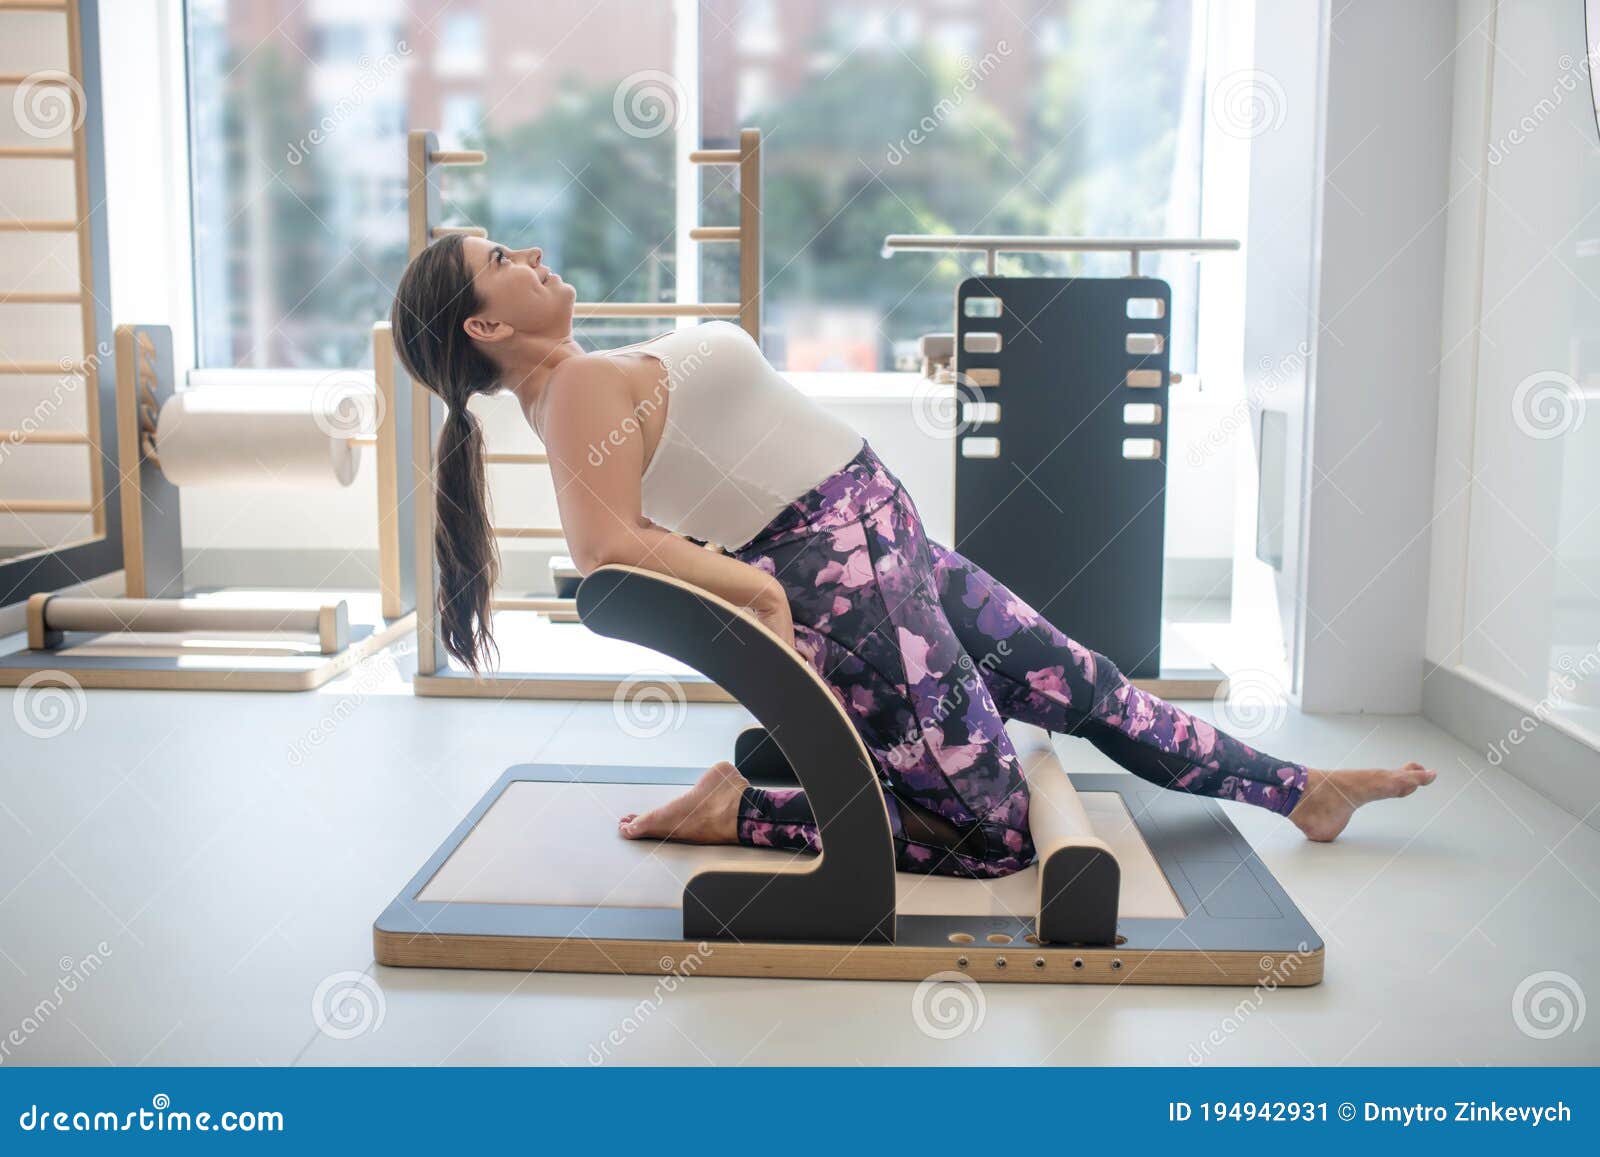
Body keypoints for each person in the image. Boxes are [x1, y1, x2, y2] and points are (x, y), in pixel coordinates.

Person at [389, 235, 1435, 878]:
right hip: (846, 572)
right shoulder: (572, 389)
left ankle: (1300, 789)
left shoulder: (585, 376)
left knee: (1086, 685)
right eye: (501, 259)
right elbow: (606, 546)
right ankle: (739, 807)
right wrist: (755, 587)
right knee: (995, 833)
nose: (531, 253)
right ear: (484, 322)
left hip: (886, 544)